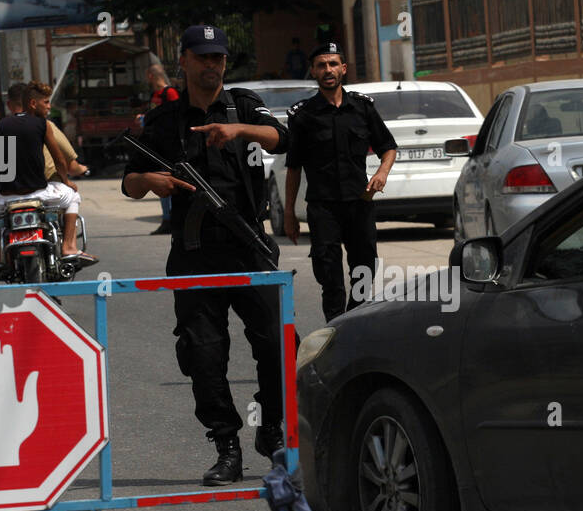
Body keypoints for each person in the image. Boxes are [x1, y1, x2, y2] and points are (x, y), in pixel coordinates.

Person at [122, 24, 291, 485]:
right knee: (204, 354)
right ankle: (227, 444)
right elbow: (130, 182)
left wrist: (238, 130)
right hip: (194, 252)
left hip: (249, 245)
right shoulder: (163, 122)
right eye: (203, 57)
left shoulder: (242, 105)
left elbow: (281, 138)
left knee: (280, 343)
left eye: (218, 57)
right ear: (185, 61)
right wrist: (150, 182)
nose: (212, 65)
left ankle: (272, 429)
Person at [284, 41, 397, 322]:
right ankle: (335, 330)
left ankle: (355, 323)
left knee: (364, 271)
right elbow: (294, 168)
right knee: (329, 277)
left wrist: (382, 173)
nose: (328, 70)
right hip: (323, 208)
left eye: (333, 64)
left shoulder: (362, 107)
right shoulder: (303, 115)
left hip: (360, 203)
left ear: (343, 69)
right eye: (321, 65)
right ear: (313, 71)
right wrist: (289, 213)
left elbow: (388, 147)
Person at [0, 82, 97, 279]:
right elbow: (59, 159)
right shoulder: (43, 125)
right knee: (73, 196)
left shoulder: (2, 125)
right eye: (46, 102)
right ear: (33, 103)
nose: (49, 107)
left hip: (5, 197)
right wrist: (66, 181)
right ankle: (69, 246)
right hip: (40, 193)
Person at [147, 62, 180, 235]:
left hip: (169, 144)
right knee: (160, 180)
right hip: (157, 143)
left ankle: (172, 218)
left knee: (169, 180)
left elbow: (177, 117)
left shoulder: (170, 93)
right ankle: (166, 218)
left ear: (151, 76)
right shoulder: (155, 95)